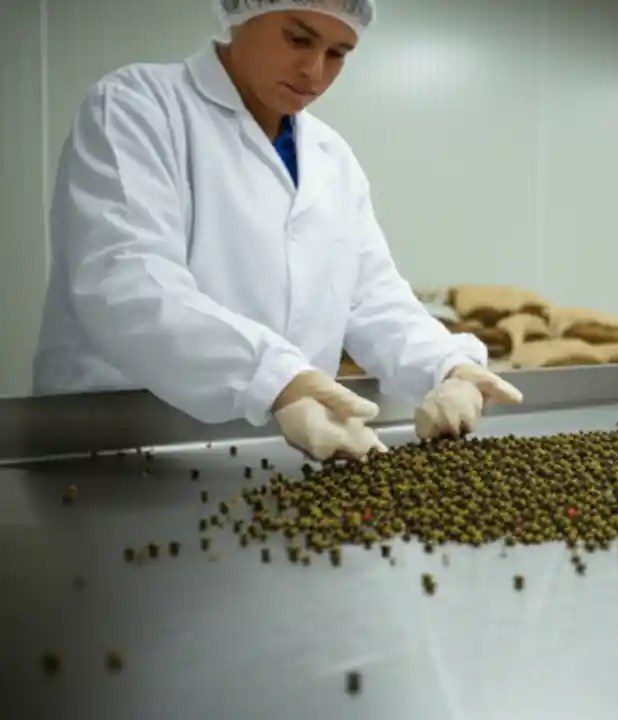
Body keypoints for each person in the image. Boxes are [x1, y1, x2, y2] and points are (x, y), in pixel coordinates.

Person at [33, 0, 522, 460]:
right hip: (119, 450)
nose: (314, 71)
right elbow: (127, 281)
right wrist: (276, 380)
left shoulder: (331, 156)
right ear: (243, 13)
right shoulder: (138, 107)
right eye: (297, 39)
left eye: (338, 53)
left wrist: (449, 366)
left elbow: (372, 297)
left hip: (290, 451)